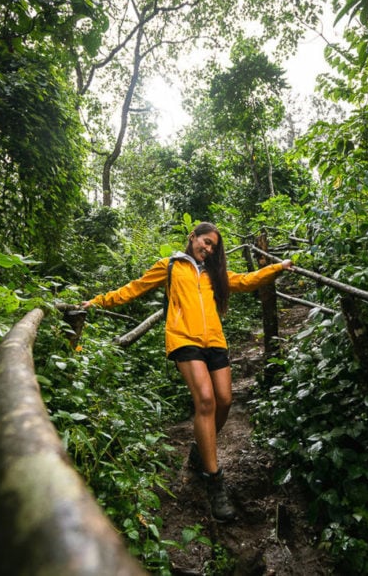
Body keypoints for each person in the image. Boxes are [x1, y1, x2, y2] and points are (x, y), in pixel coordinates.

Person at [82, 221, 292, 521]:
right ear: (192, 237)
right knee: (205, 400)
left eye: (212, 246)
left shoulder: (214, 274)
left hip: (215, 341)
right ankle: (214, 480)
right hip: (184, 340)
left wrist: (278, 267)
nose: (207, 249)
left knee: (225, 400)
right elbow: (134, 288)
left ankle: (200, 452)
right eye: (204, 242)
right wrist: (98, 301)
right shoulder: (169, 266)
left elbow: (246, 281)